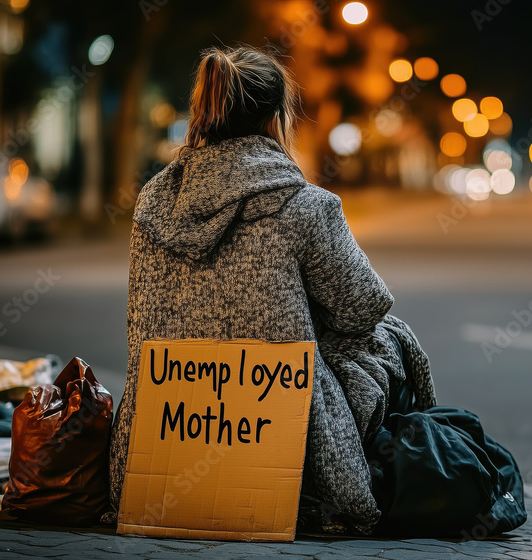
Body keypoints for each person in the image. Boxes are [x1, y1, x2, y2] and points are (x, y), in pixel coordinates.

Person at [105, 45, 437, 534]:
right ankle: (405, 472)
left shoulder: (153, 201)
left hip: (157, 445)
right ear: (277, 118)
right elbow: (363, 309)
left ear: (204, 111)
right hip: (281, 444)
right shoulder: (306, 205)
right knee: (389, 337)